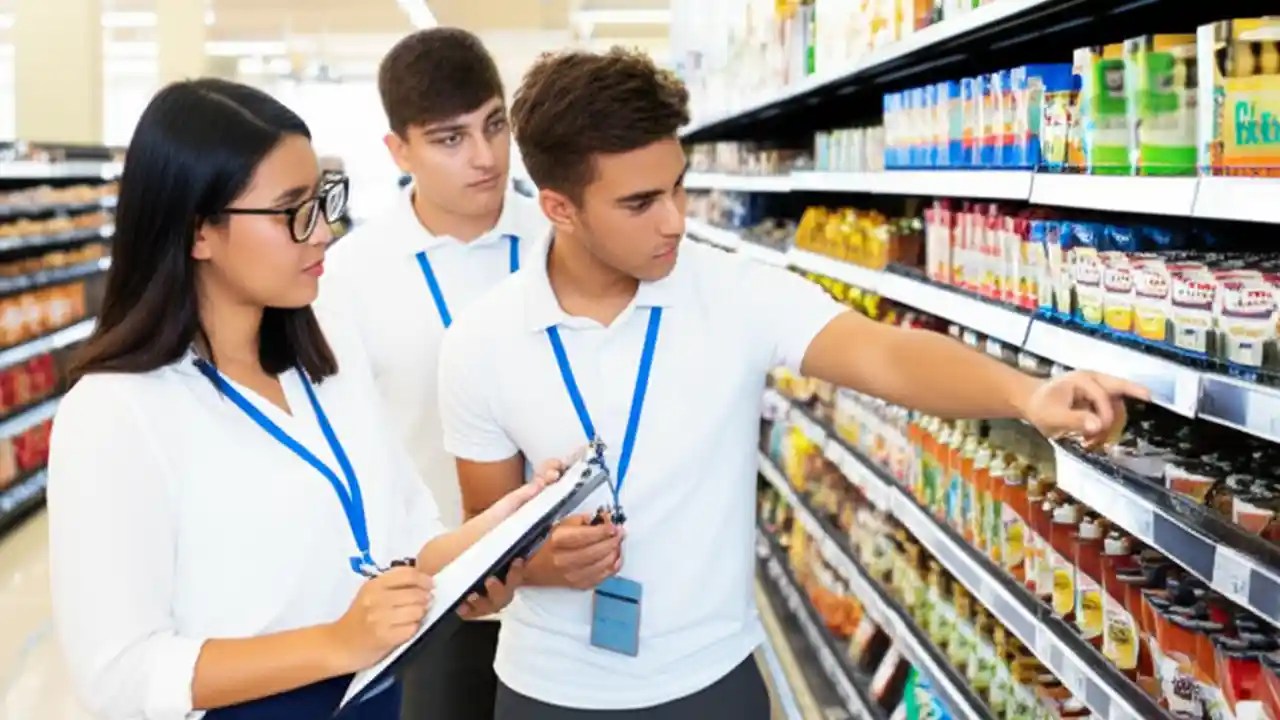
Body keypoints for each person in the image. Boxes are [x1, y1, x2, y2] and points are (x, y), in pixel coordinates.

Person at [436, 48, 1150, 719]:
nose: (676, 221)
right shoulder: (481, 342)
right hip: (550, 692)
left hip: (715, 682)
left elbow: (885, 354)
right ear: (559, 207)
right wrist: (540, 563)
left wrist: (1026, 394)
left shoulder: (736, 293)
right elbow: (489, 543)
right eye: (640, 202)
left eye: (679, 186)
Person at [46, 78, 554, 720]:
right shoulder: (117, 412)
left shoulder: (327, 346)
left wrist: (507, 529)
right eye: (294, 211)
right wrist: (337, 643)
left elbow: (405, 536)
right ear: (198, 231)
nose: (323, 234)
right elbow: (120, 675)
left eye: (324, 201)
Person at [316, 28, 550, 720]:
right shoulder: (349, 278)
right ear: (399, 150)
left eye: (495, 125)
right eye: (450, 140)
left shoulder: (565, 239)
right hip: (441, 598)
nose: (484, 158)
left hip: (574, 587)